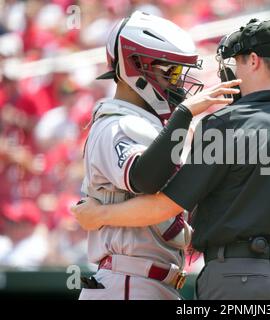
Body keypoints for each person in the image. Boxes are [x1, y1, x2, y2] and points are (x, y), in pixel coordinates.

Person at [72, 18, 270, 300]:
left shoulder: (225, 123)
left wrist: (100, 215)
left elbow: (164, 204)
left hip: (234, 277)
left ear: (254, 61)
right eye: (169, 71)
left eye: (238, 60)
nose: (178, 79)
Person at [77, 11, 240, 300]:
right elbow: (144, 177)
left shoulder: (151, 125)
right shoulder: (118, 122)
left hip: (147, 281)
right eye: (171, 72)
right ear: (136, 65)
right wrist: (185, 114)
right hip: (128, 281)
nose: (178, 83)